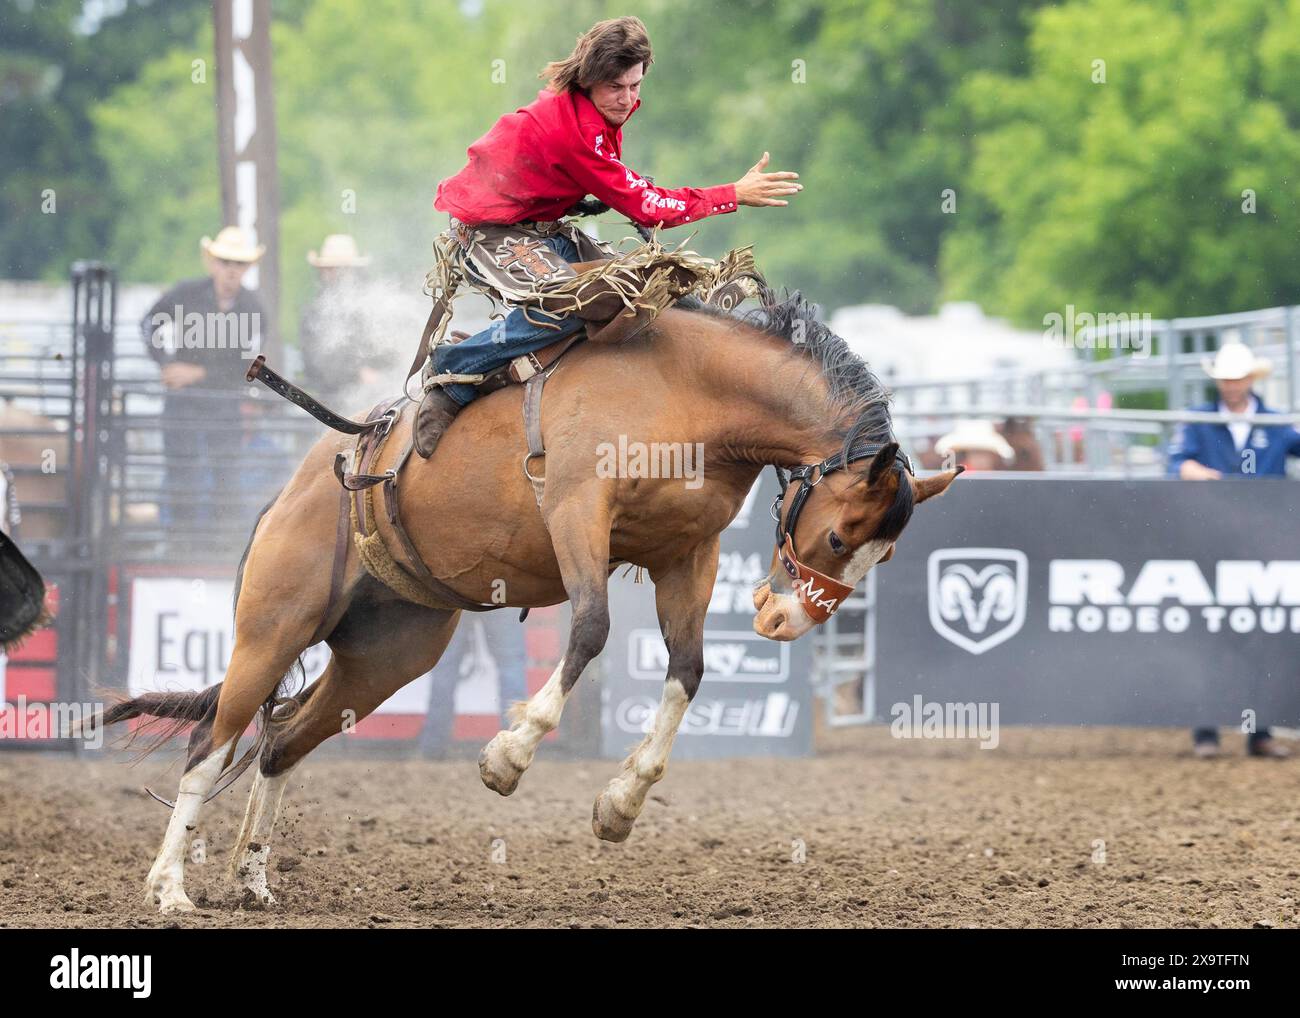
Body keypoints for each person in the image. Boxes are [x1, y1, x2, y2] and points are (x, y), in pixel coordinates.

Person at [415, 15, 803, 458]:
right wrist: (732, 193)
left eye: (635, 86)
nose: (627, 99)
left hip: (539, 227)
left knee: (634, 290)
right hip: (488, 233)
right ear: (590, 80)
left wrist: (587, 194)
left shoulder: (590, 113)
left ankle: (517, 366)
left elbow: (596, 177)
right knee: (568, 304)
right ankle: (454, 372)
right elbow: (648, 207)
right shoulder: (574, 130)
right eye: (615, 88)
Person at [1167, 341, 1300, 759]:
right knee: (1211, 631)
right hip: (1212, 539)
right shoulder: (1199, 420)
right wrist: (1205, 477)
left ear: (1249, 379)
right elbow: (1176, 462)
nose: (1230, 385)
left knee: (1260, 633)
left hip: (1262, 544)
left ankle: (1257, 732)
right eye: (1225, 378)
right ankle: (1206, 732)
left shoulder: (1277, 422)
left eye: (1236, 377)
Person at [140, 227, 272, 530]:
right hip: (184, 403)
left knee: (226, 474)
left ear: (246, 268)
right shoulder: (186, 293)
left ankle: (220, 544)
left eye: (238, 264)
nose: (231, 270)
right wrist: (165, 364)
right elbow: (149, 324)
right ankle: (182, 544)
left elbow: (250, 364)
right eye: (225, 262)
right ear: (213, 264)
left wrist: (196, 373)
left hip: (223, 405)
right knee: (181, 473)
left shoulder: (253, 307)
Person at [299, 234, 391, 412]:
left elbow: (385, 352)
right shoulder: (314, 314)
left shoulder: (369, 308)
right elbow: (314, 362)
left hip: (374, 399)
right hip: (330, 402)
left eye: (343, 269)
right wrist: (357, 373)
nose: (337, 275)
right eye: (332, 269)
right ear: (323, 272)